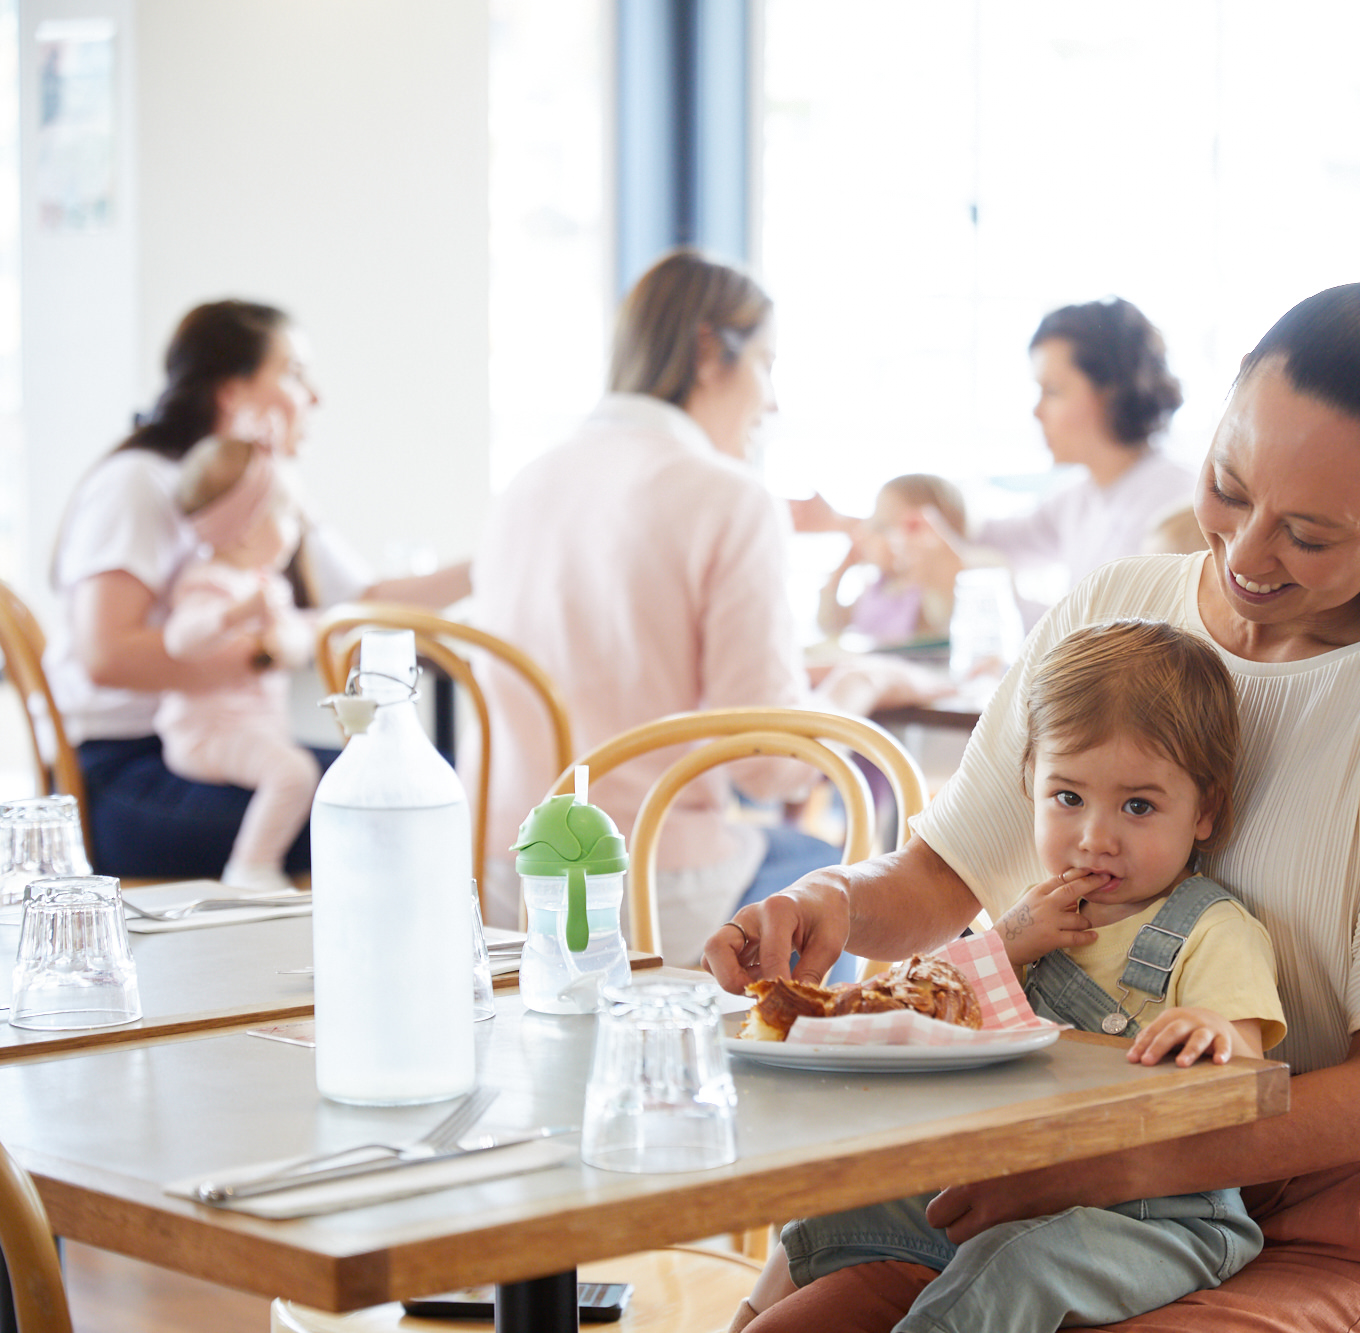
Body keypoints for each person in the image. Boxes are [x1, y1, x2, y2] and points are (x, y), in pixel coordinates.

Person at [708, 266, 1360, 1332]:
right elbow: (943, 874)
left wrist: (1095, 1167)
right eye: (1227, 485)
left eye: (1308, 535)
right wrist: (835, 904)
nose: (1248, 551)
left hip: (1320, 1221)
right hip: (1044, 1171)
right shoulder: (1119, 607)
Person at [732, 620, 1287, 1333]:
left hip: (1164, 1218)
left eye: (1138, 806)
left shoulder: (1212, 929)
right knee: (843, 1194)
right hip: (1019, 1187)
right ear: (1029, 784)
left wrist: (1210, 1030)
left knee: (1009, 1265)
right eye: (1067, 797)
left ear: (1204, 810)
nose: (1095, 836)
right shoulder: (1034, 915)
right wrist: (1008, 942)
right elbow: (945, 1007)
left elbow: (1242, 1069)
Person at [474, 250, 840, 962]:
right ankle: (800, 1073)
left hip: (504, 875)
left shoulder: (526, 482)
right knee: (842, 881)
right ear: (710, 352)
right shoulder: (729, 496)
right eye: (766, 363)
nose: (772, 401)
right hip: (642, 877)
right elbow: (767, 768)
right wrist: (858, 690)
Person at [45, 300, 469, 879]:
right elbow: (105, 656)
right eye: (294, 373)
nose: (314, 397)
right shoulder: (140, 483)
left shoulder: (264, 493)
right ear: (232, 394)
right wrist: (267, 652)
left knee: (423, 782)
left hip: (207, 756)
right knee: (393, 810)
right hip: (127, 771)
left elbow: (365, 595)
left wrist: (492, 565)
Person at [793, 298, 1193, 615]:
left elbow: (1103, 641)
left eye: (1052, 391)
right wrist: (843, 521)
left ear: (1113, 392)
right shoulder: (1081, 496)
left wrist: (968, 586)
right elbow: (971, 530)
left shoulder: (1174, 504)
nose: (1037, 412)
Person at [156, 436, 319, 891]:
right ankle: (250, 868)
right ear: (246, 528)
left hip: (251, 729)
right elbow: (179, 640)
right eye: (283, 513)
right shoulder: (208, 583)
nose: (295, 524)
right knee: (295, 772)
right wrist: (233, 616)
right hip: (206, 735)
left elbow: (293, 644)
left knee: (299, 765)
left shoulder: (264, 585)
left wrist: (283, 638)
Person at [815, 474, 966, 646]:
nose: (865, 533)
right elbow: (829, 625)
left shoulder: (927, 593)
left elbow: (947, 608)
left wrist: (937, 560)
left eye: (880, 527)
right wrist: (840, 572)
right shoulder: (876, 587)